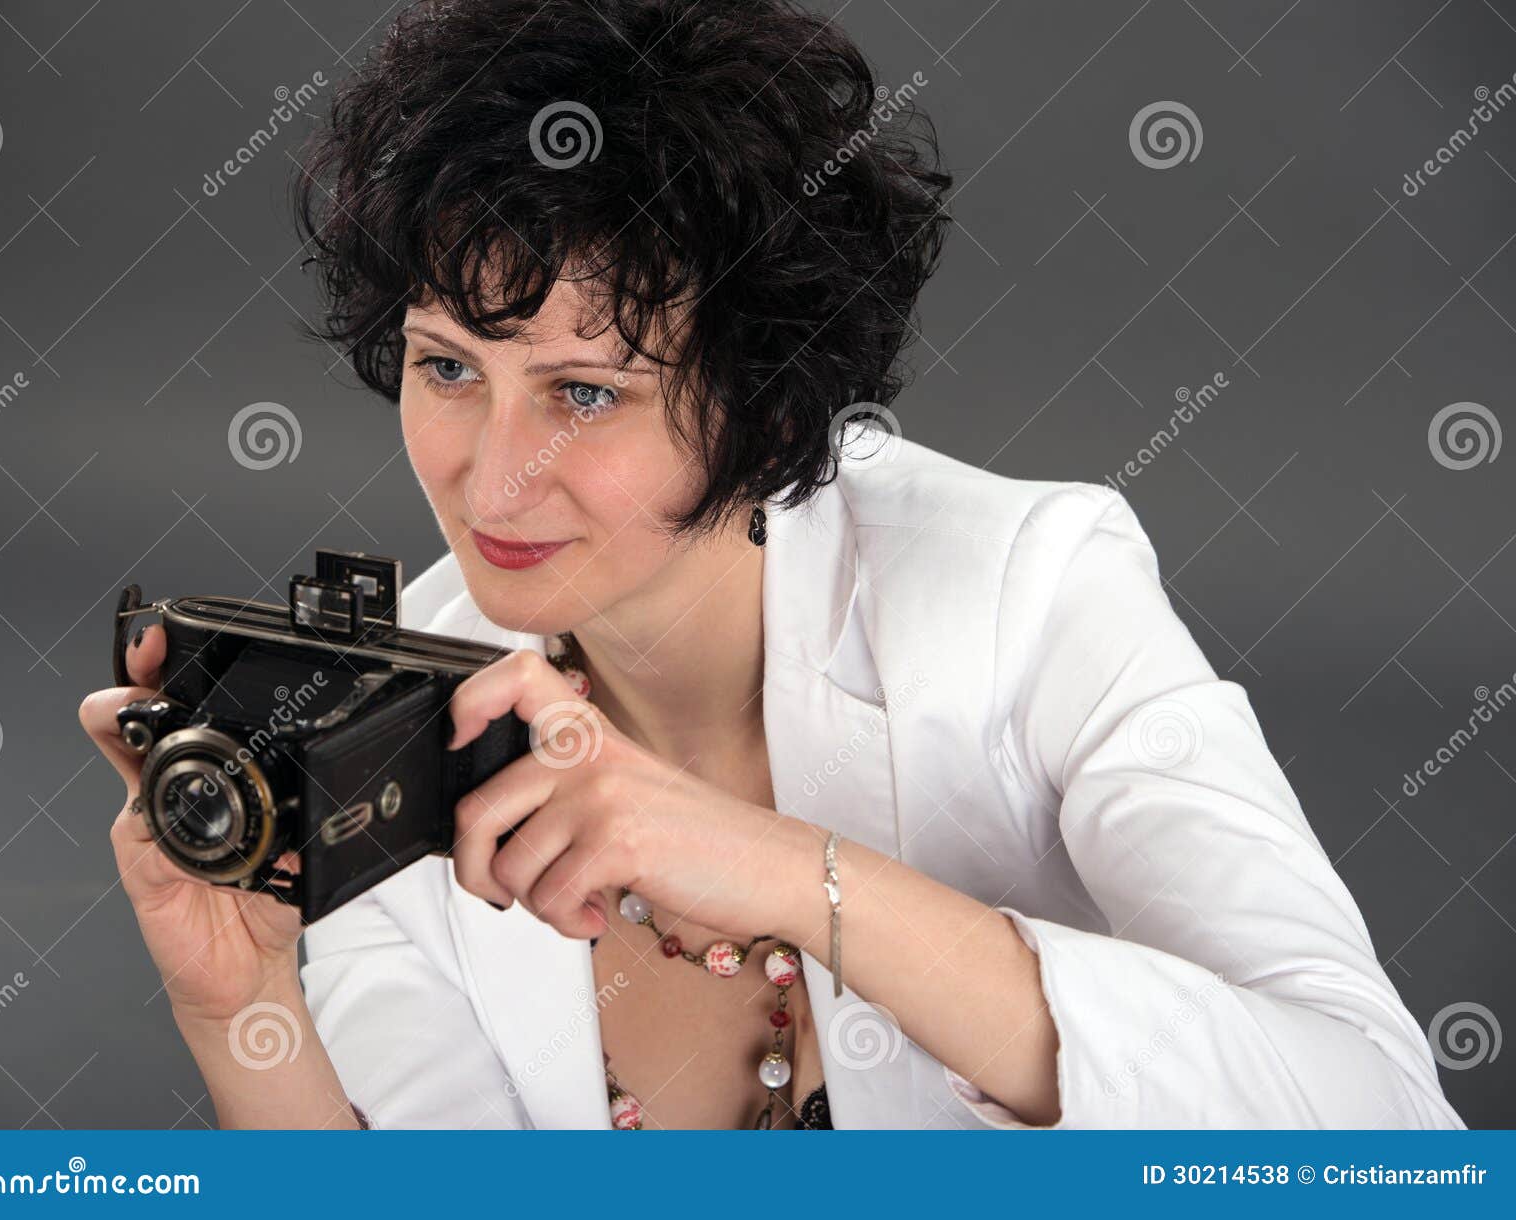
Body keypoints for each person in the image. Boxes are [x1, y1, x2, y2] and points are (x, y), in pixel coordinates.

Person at [80, 0, 1464, 1130]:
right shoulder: (396, 717)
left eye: (585, 394)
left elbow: (1385, 1130)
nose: (489, 479)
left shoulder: (1032, 590)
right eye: (450, 368)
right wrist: (236, 1008)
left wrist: (795, 876)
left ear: (772, 404)